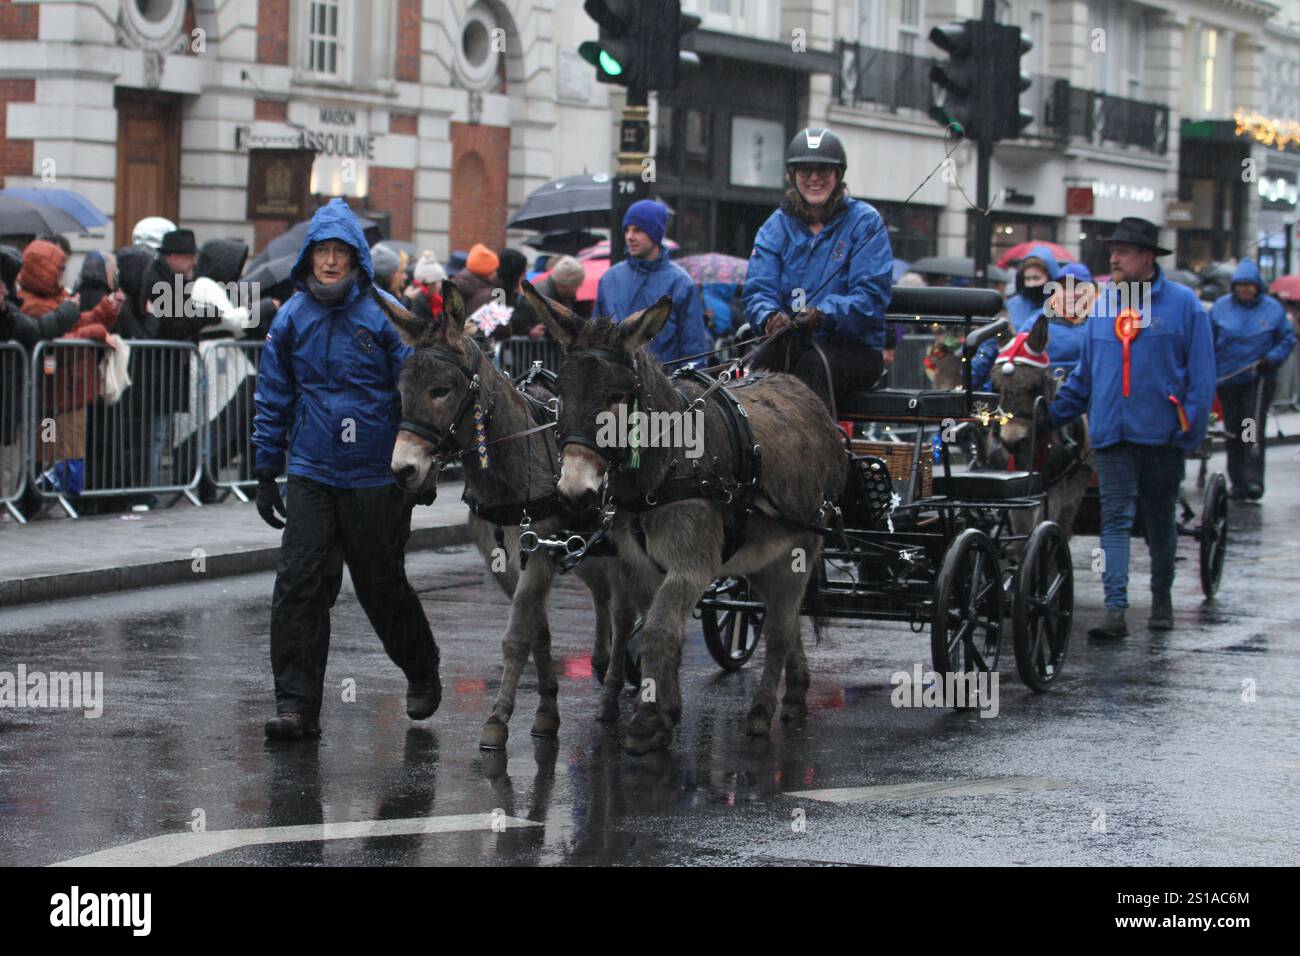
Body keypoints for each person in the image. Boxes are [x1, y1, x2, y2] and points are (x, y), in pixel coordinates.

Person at [251, 197, 441, 741]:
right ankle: (296, 706)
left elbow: (417, 396)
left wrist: (419, 472)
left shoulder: (386, 314)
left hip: (374, 475)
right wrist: (267, 470)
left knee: (381, 586)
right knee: (299, 586)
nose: (330, 262)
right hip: (312, 470)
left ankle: (421, 668)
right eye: (321, 252)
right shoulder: (290, 316)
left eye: (340, 252)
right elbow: (273, 397)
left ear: (356, 257)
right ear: (309, 257)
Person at [1048, 217, 1215, 639]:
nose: (1114, 257)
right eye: (1112, 250)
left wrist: (1189, 431)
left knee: (1160, 518)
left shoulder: (1184, 304)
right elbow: (1085, 375)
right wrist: (1051, 414)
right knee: (1115, 519)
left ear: (1147, 257)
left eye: (1123, 251)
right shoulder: (1102, 304)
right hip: (1111, 435)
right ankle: (1115, 610)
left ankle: (1161, 598)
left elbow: (1202, 374)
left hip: (1163, 434)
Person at [743, 127, 893, 413]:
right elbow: (758, 289)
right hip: (792, 343)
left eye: (823, 170)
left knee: (812, 365)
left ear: (838, 175)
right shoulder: (775, 227)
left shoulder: (865, 223)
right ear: (792, 175)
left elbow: (870, 297)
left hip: (854, 350)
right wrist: (769, 316)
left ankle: (820, 454)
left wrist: (824, 314)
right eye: (805, 171)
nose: (814, 179)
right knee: (759, 368)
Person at [1209, 259, 1296, 501]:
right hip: (1228, 380)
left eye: (1249, 285)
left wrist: (1271, 359)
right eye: (1241, 285)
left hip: (1257, 380)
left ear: (1257, 286)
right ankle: (1237, 481)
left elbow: (1287, 340)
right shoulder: (1220, 308)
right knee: (1233, 430)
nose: (1245, 290)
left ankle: (1253, 479)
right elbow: (1207, 338)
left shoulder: (1272, 309)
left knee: (1250, 428)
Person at [595, 199, 710, 367]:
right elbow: (596, 336)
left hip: (663, 387)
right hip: (616, 386)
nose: (629, 236)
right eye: (626, 230)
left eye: (638, 230)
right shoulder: (609, 279)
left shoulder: (681, 283)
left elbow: (693, 346)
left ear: (655, 233)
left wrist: (689, 387)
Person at [510, 254, 583, 339]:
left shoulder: (564, 295)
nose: (580, 286)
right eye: (577, 284)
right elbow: (545, 325)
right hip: (535, 349)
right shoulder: (542, 294)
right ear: (565, 285)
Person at [450, 242, 498, 314]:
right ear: (488, 273)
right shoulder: (487, 296)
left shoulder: (457, 282)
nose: (496, 273)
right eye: (494, 270)